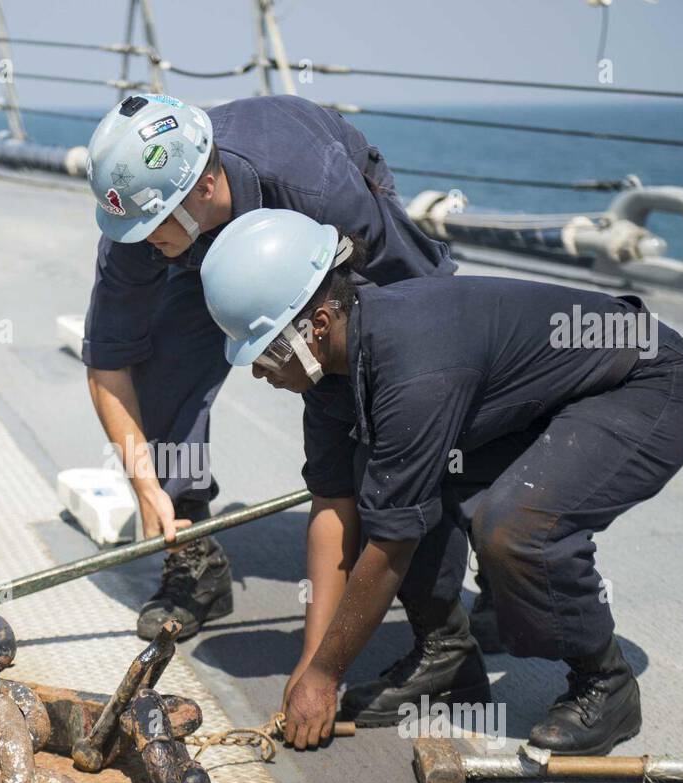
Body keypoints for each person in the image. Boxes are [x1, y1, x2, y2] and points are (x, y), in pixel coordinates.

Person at [199, 208, 683, 752]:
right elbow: (334, 505)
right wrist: (311, 662)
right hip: (549, 397)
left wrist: (326, 675)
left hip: (645, 382)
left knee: (514, 525)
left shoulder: (414, 369)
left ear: (316, 326)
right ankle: (445, 657)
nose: (258, 371)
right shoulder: (331, 379)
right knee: (377, 472)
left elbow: (393, 541)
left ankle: (605, 683)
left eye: (267, 350)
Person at [81, 92, 456, 643]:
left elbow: (423, 293)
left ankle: (444, 551)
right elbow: (108, 363)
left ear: (202, 187)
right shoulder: (144, 224)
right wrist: (144, 485)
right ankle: (192, 553)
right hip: (200, 242)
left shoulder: (318, 187)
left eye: (152, 227)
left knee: (369, 367)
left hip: (317, 230)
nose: (141, 243)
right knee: (158, 364)